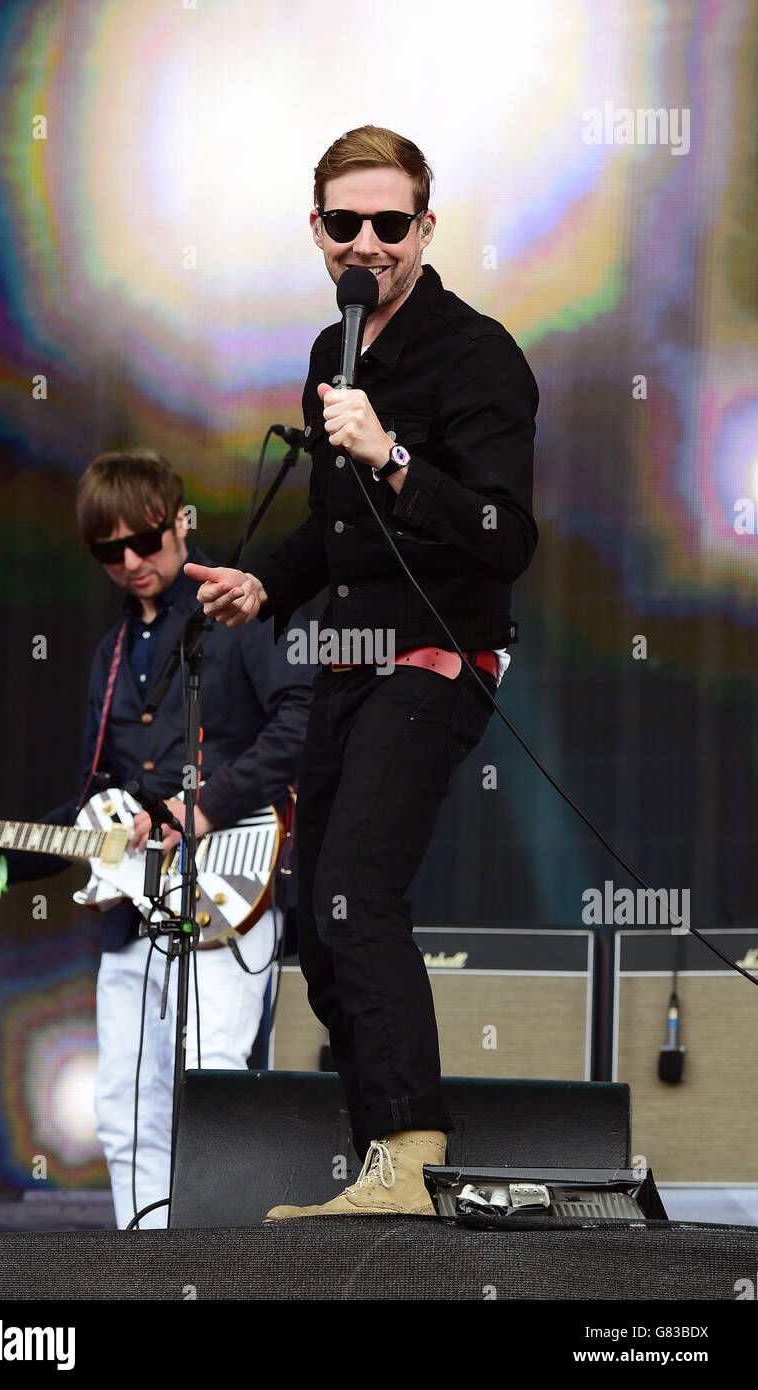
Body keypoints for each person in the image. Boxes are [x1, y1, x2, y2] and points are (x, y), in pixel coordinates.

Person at [186, 125, 539, 1221]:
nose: (370, 242)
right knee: (316, 919)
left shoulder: (477, 355)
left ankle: (411, 1153)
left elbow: (503, 532)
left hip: (438, 657)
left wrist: (392, 455)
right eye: (349, 223)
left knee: (359, 891)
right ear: (319, 232)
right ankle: (374, 1169)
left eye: (393, 223)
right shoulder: (328, 356)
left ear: (427, 229)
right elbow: (332, 536)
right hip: (345, 658)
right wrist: (263, 586)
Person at [0, 450, 315, 1228]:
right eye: (110, 552)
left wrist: (200, 807)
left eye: (146, 542)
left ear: (180, 524)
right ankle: (145, 1264)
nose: (133, 563)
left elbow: (303, 722)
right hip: (131, 908)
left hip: (224, 892)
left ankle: (216, 1269)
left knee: (214, 1092)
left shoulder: (233, 614)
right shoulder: (108, 659)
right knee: (123, 1106)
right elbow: (91, 804)